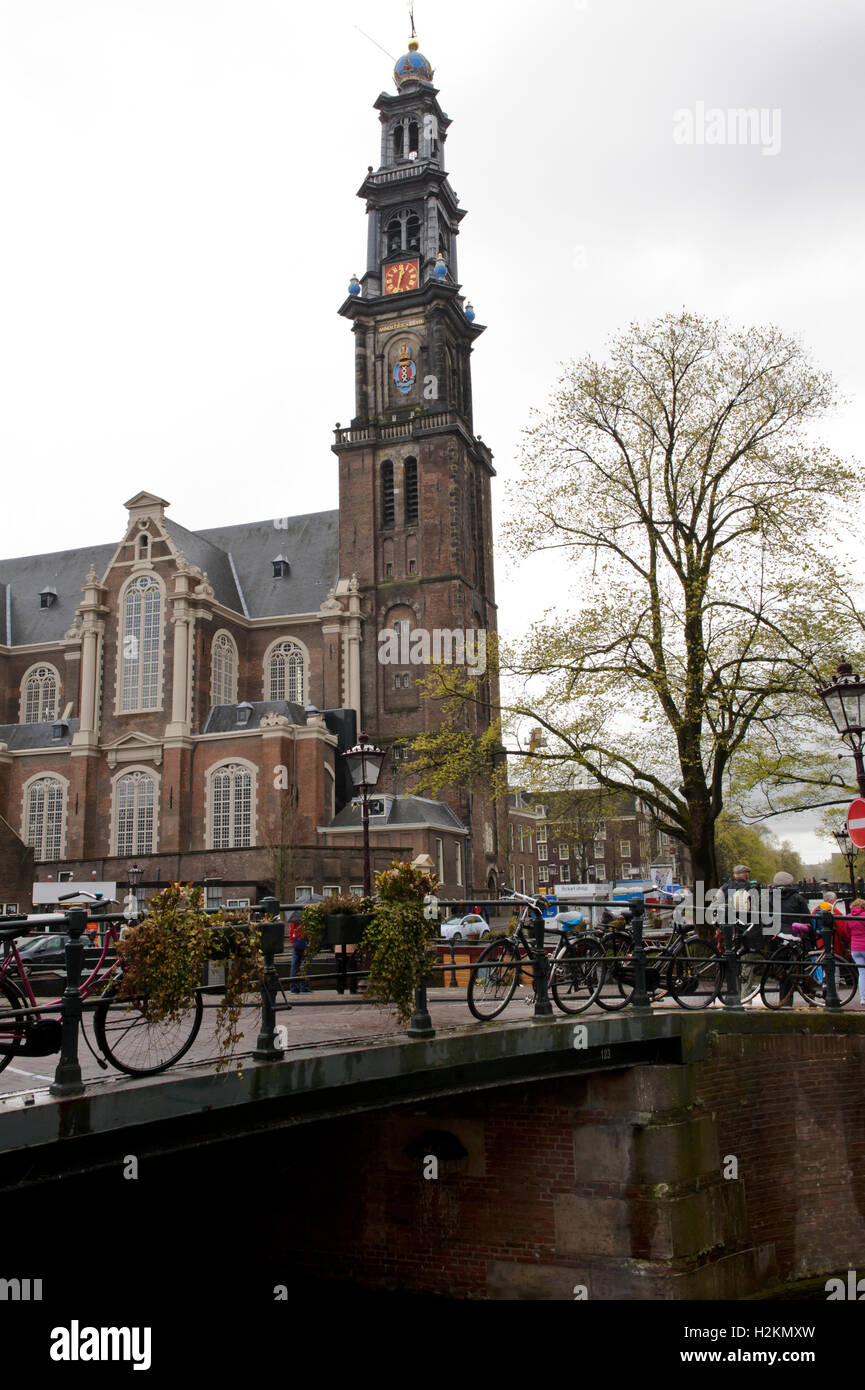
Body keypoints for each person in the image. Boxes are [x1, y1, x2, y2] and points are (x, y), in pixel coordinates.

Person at [287, 911, 312, 994]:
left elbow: (290, 932)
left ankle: (293, 988)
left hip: (296, 945)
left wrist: (292, 943)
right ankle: (304, 988)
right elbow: (309, 933)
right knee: (305, 966)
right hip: (304, 944)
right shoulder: (306, 920)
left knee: (294, 967)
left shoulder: (293, 921)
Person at [846, 898, 865, 1007]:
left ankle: (863, 998)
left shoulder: (848, 917)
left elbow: (847, 932)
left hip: (855, 948)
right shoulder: (864, 916)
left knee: (862, 973)